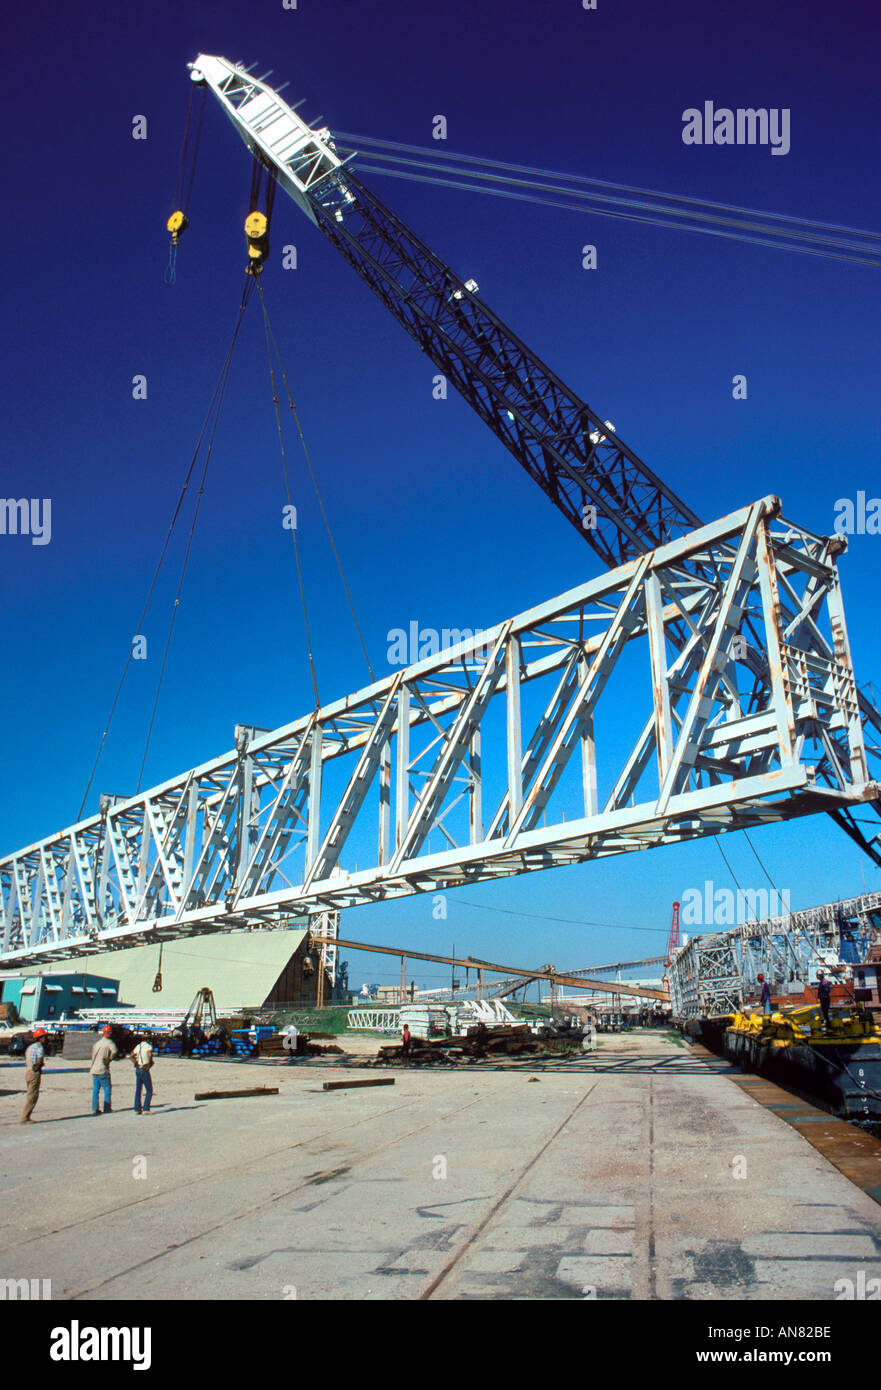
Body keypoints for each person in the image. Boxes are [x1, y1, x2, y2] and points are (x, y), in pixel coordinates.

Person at [20, 1027, 47, 1124]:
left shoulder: (30, 1048)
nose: (45, 1039)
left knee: (29, 1094)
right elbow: (40, 1060)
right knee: (33, 1096)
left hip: (27, 1072)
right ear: (41, 1037)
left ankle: (25, 1116)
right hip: (34, 1073)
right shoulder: (39, 1047)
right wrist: (41, 1065)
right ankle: (25, 1117)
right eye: (44, 1037)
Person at [90, 1025, 117, 1114]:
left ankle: (95, 1108)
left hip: (94, 1069)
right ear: (110, 1033)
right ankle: (107, 1108)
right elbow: (114, 1051)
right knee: (107, 1089)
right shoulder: (109, 1043)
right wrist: (110, 1059)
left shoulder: (97, 1043)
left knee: (95, 1090)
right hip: (103, 1069)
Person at [131, 1037, 154, 1114]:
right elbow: (149, 1054)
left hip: (138, 1068)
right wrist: (150, 1063)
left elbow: (131, 1055)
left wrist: (135, 1062)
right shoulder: (148, 1046)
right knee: (149, 1090)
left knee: (138, 1089)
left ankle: (137, 1108)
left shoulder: (138, 1046)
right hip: (144, 1068)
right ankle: (146, 1108)